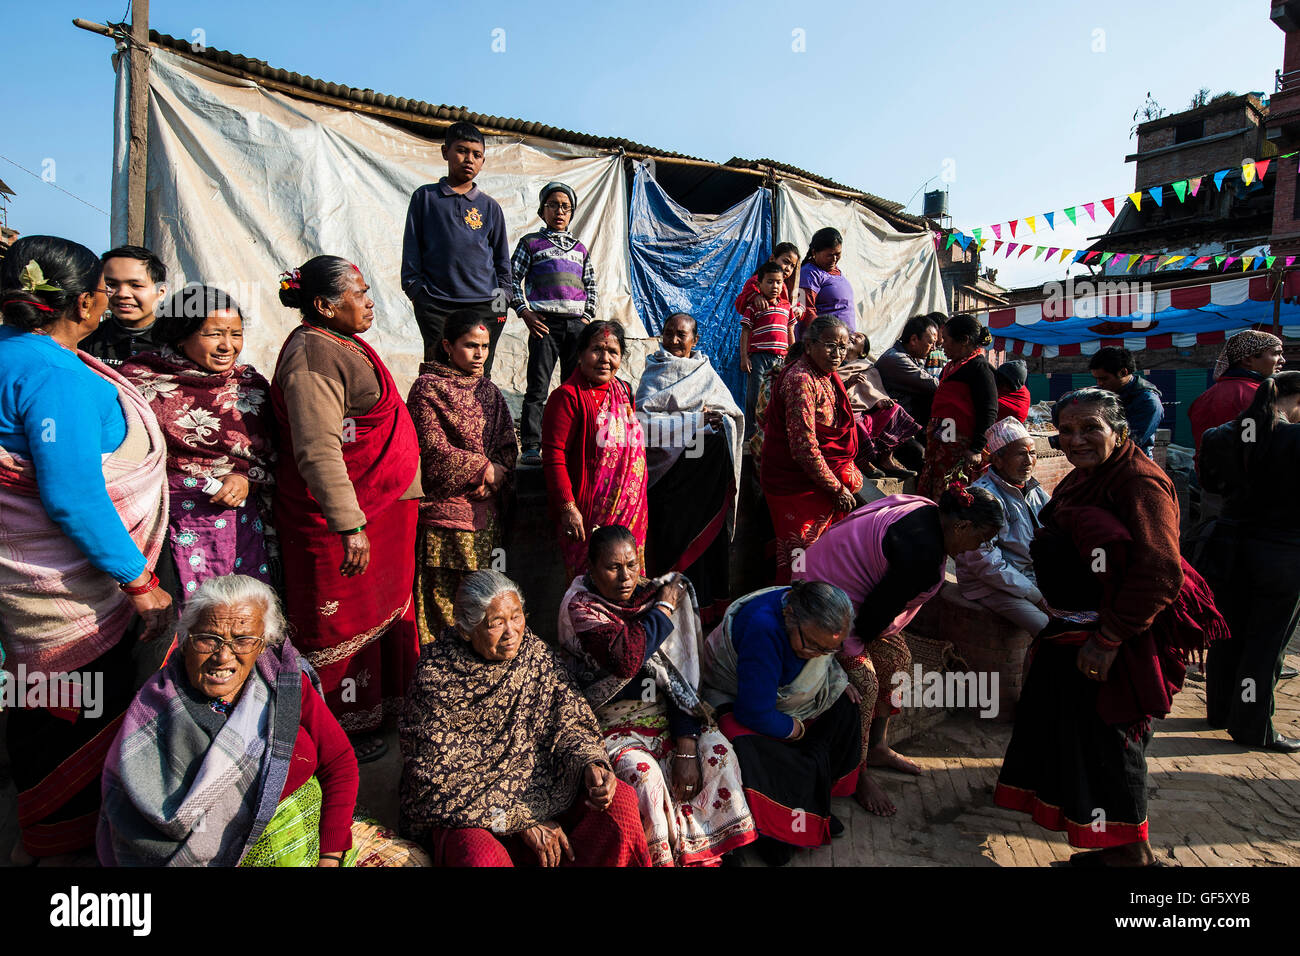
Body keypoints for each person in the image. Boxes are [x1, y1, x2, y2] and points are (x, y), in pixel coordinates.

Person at [995, 388, 1229, 866]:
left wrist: (1108, 640)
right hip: (1074, 630)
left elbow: (1160, 571)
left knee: (1114, 742)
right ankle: (1107, 844)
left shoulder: (1139, 484)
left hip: (1116, 639)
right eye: (1066, 431)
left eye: (1090, 429)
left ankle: (1133, 856)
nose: (1076, 439)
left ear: (1119, 432)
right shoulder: (1085, 478)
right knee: (1083, 743)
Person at [0, 236, 173, 864]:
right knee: (71, 711)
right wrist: (138, 579)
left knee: (35, 700)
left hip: (16, 585)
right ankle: (61, 845)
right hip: (65, 589)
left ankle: (38, 828)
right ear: (83, 301)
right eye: (104, 287)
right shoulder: (55, 376)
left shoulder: (9, 355)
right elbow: (71, 494)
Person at [97, 575, 428, 866]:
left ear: (263, 645)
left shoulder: (282, 683)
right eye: (208, 638)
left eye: (242, 640)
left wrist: (329, 855)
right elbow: (140, 823)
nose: (223, 656)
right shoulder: (157, 711)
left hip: (312, 839)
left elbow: (339, 762)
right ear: (186, 640)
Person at [272, 255, 422, 763]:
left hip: (382, 512)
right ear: (323, 305)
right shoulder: (312, 354)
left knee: (383, 620)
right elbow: (317, 448)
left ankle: (378, 711)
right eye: (359, 292)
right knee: (336, 628)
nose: (369, 300)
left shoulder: (342, 344)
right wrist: (349, 524)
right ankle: (335, 735)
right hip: (342, 522)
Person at [399, 570, 651, 867]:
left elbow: (570, 719)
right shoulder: (436, 676)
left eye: (516, 617)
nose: (511, 632)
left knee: (618, 803)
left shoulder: (534, 654)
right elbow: (435, 779)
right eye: (496, 623)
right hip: (476, 812)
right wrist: (517, 821)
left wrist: (590, 764)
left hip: (543, 792)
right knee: (480, 858)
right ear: (467, 629)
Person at [557, 526, 758, 865]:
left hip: (667, 711)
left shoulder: (653, 595)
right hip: (610, 721)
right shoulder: (581, 607)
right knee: (646, 778)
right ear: (590, 569)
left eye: (632, 565)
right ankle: (668, 857)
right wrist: (663, 608)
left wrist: (686, 744)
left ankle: (716, 851)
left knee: (720, 755)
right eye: (612, 567)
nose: (625, 576)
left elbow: (681, 676)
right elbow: (626, 658)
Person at [798, 487, 1004, 815]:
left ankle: (877, 746)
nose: (982, 546)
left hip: (845, 592)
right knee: (864, 684)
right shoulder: (921, 555)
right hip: (823, 606)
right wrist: (857, 653)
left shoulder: (927, 508)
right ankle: (855, 771)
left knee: (898, 661)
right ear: (962, 526)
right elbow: (870, 621)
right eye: (983, 536)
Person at [120, 284, 277, 598]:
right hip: (163, 524)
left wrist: (247, 479)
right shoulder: (138, 382)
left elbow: (277, 455)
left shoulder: (250, 385)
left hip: (241, 527)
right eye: (214, 333)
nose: (227, 346)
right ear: (181, 335)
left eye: (235, 333)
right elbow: (123, 459)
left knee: (240, 613)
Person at [700, 581, 865, 866]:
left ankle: (815, 805)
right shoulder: (765, 628)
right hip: (735, 695)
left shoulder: (813, 625)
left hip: (786, 696)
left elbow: (823, 660)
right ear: (789, 614)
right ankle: (775, 831)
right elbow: (753, 712)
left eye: (827, 648)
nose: (817, 653)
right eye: (811, 645)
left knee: (846, 708)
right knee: (755, 747)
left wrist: (834, 682)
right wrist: (795, 729)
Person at [1196, 371, 1300, 751]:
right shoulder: (1293, 438)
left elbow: (1208, 486)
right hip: (1282, 553)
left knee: (1226, 635)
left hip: (1228, 548)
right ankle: (1253, 725)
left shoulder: (1219, 436)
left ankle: (1220, 711)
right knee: (1265, 645)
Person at [406, 309, 518, 644]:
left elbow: (507, 443)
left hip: (486, 520)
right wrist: (482, 469)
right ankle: (442, 679)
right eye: (471, 345)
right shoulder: (427, 389)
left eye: (484, 346)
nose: (480, 353)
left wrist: (497, 474)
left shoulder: (490, 392)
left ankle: (482, 677)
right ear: (447, 346)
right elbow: (431, 449)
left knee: (485, 609)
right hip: (444, 524)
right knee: (445, 611)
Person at [637, 312, 743, 626]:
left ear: (695, 341)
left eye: (680, 335)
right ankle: (669, 619)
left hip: (705, 483)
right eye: (667, 333)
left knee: (707, 551)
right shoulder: (652, 373)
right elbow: (642, 426)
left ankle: (706, 617)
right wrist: (692, 422)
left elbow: (732, 415)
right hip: (669, 484)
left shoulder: (705, 373)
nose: (672, 341)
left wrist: (716, 420)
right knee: (673, 549)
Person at [401, 121, 512, 374]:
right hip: (437, 304)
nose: (468, 159)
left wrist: (502, 301)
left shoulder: (490, 207)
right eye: (461, 151)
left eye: (477, 155)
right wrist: (418, 294)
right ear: (445, 152)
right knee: (437, 371)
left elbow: (502, 262)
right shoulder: (426, 198)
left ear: (483, 160)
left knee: (479, 373)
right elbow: (412, 250)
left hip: (486, 304)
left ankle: (479, 416)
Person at [759, 316, 862, 584]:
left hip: (817, 479)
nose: (838, 354)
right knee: (801, 555)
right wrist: (836, 488)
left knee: (821, 554)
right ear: (809, 345)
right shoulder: (801, 379)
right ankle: (792, 608)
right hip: (794, 482)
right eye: (830, 346)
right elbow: (803, 448)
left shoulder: (827, 376)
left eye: (843, 347)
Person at [542, 319, 648, 579]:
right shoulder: (567, 396)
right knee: (591, 582)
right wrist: (567, 506)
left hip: (630, 511)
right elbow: (554, 455)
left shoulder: (623, 391)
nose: (605, 359)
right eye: (597, 350)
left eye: (613, 352)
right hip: (588, 516)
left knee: (627, 582)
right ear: (580, 354)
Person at [511, 181, 598, 466]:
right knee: (538, 387)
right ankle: (533, 446)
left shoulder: (580, 249)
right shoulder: (530, 243)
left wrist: (586, 318)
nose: (559, 211)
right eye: (553, 205)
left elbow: (591, 286)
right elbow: (510, 281)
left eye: (565, 206)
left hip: (577, 326)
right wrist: (525, 313)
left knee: (573, 387)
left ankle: (569, 440)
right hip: (544, 325)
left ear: (571, 213)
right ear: (542, 210)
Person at [956, 418, 1052, 636]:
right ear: (998, 460)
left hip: (1030, 575)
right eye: (1021, 454)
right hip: (989, 584)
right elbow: (985, 563)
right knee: (1047, 627)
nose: (1029, 461)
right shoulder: (982, 498)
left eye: (1033, 453)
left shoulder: (1035, 490)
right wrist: (1035, 595)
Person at [916, 314, 998, 501]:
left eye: (946, 340)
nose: (942, 345)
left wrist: (977, 448)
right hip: (942, 440)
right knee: (933, 484)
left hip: (961, 445)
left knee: (952, 492)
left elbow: (989, 410)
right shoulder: (951, 367)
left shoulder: (979, 368)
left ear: (964, 340)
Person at [1188, 329, 1286, 459]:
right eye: (1276, 354)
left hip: (1207, 475)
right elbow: (1251, 444)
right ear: (1248, 360)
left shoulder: (1202, 399)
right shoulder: (1261, 395)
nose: (1282, 360)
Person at [839, 330, 922, 479]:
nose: (852, 336)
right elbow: (833, 392)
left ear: (863, 352)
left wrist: (880, 403)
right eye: (851, 335)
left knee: (895, 410)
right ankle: (864, 463)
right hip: (845, 410)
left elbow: (873, 395)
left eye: (858, 337)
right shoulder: (835, 364)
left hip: (868, 413)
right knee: (854, 419)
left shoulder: (869, 369)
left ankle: (885, 460)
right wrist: (849, 382)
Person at [79, 244, 169, 367]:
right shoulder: (86, 339)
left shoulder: (181, 341)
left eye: (136, 285)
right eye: (111, 284)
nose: (122, 294)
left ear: (161, 292)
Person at [738, 261, 795, 438]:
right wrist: (744, 357)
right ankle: (751, 433)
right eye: (769, 282)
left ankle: (772, 432)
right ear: (759, 285)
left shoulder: (786, 307)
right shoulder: (754, 306)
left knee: (777, 396)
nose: (775, 286)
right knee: (754, 396)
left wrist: (793, 358)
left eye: (778, 282)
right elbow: (745, 332)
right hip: (758, 358)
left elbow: (790, 331)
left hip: (781, 359)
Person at [875, 313, 943, 439]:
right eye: (930, 343)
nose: (933, 348)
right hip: (891, 426)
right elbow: (934, 385)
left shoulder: (910, 357)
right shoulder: (896, 359)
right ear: (913, 340)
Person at [1089, 346, 1163, 459]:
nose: (1099, 384)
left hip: (1132, 462)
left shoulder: (1147, 401)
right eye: (1097, 379)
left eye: (1104, 379)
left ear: (1123, 372)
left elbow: (1131, 441)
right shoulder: (1104, 392)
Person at [797, 227, 855, 334]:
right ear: (814, 252)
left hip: (842, 341)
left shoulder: (836, 271)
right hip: (825, 342)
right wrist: (826, 335)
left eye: (837, 254)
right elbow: (806, 310)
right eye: (829, 255)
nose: (834, 259)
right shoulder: (809, 273)